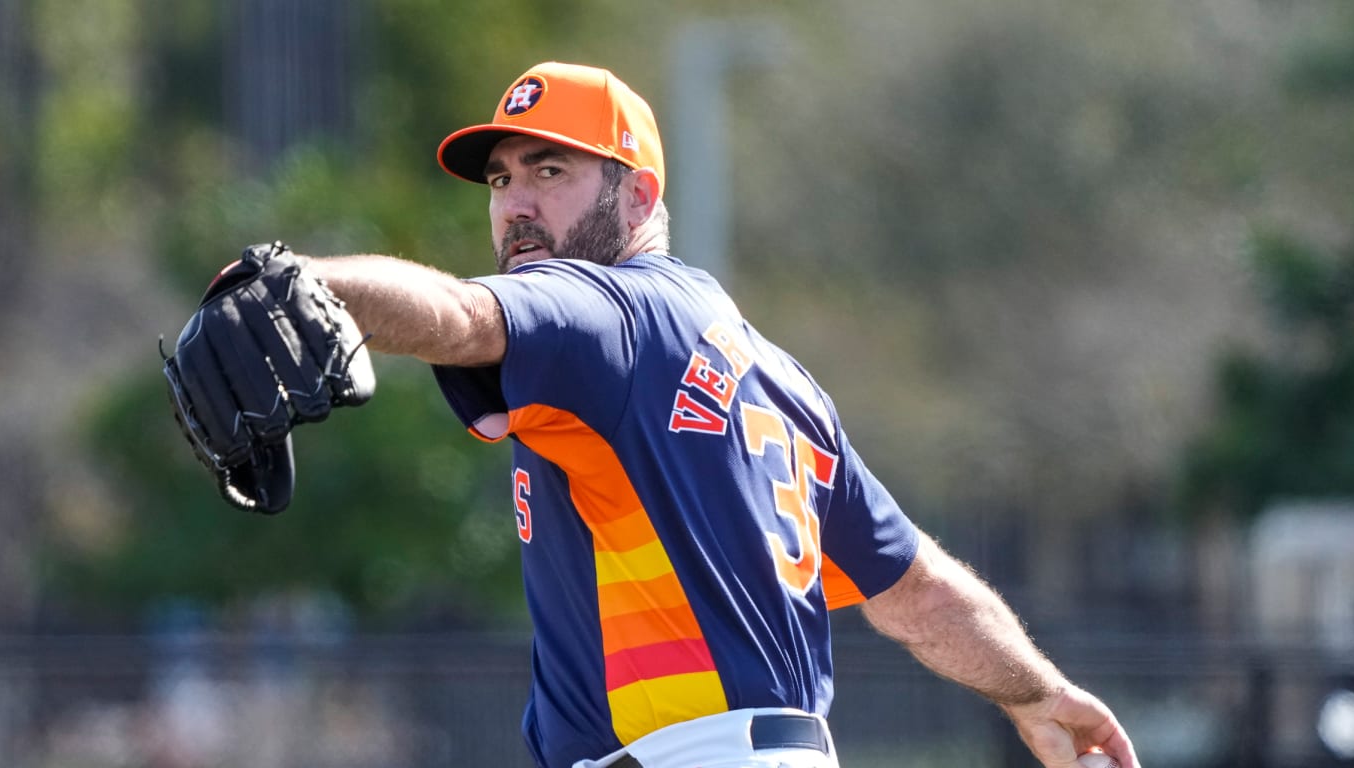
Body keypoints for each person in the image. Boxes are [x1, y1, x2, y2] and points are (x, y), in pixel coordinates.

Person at [299, 62, 1139, 768]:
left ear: (639, 196)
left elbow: (459, 314)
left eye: (550, 171)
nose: (516, 202)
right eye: (501, 178)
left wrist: (303, 286)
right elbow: (916, 591)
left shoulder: (611, 316)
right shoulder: (777, 376)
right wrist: (1037, 691)